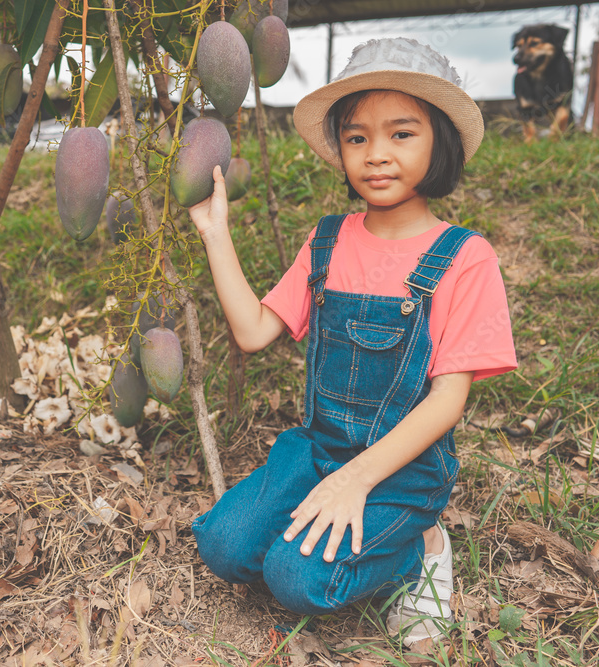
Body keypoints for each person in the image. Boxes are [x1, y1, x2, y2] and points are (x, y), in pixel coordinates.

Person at [187, 37, 517, 646]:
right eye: (357, 137)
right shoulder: (328, 241)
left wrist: (356, 481)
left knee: (296, 582)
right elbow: (252, 331)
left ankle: (421, 548)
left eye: (401, 134)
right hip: (317, 452)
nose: (376, 155)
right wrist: (216, 233)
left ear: (439, 141)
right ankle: (315, 530)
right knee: (223, 546)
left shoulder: (465, 257)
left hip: (402, 470)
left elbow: (447, 402)